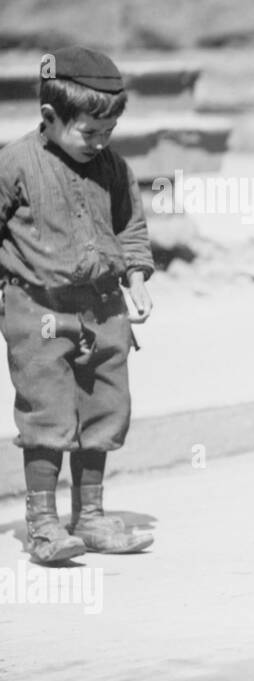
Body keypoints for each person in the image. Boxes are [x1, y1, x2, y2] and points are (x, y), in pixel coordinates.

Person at [0, 44, 156, 564]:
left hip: (104, 308)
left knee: (104, 408)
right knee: (47, 411)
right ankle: (43, 523)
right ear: (50, 117)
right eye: (89, 133)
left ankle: (89, 516)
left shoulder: (112, 167)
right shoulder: (15, 163)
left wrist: (136, 275)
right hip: (37, 309)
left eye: (107, 132)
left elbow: (130, 224)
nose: (99, 142)